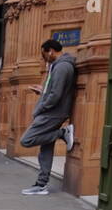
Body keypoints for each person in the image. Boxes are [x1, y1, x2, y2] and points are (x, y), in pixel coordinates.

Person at [20, 38, 77, 195]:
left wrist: (41, 108)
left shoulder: (62, 67)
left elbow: (56, 94)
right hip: (53, 111)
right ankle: (41, 184)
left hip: (51, 113)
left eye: (43, 54)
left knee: (26, 140)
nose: (43, 58)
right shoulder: (58, 66)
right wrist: (42, 91)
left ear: (50, 51)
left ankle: (62, 134)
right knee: (46, 147)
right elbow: (54, 90)